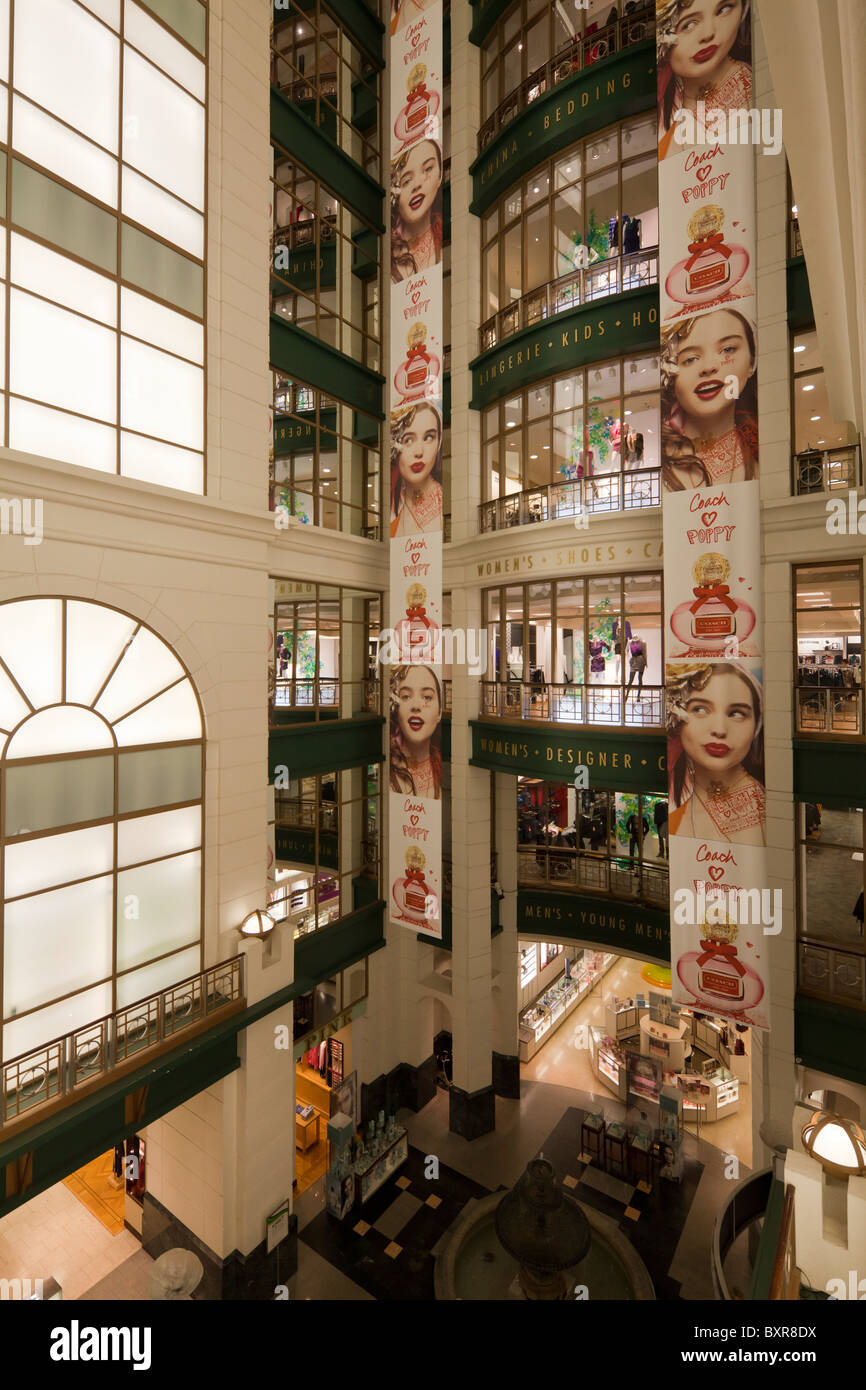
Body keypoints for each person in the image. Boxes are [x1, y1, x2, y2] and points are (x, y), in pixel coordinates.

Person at [666, 661, 765, 845]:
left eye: (736, 713)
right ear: (678, 719)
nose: (719, 730)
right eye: (700, 709)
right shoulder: (676, 806)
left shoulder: (767, 806)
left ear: (755, 726)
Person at [661, 309, 758, 490]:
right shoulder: (661, 463)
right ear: (671, 375)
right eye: (690, 359)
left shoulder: (760, 446)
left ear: (751, 361)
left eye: (727, 350)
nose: (708, 367)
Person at [656, 0, 752, 160]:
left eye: (723, 10)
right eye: (688, 25)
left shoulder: (755, 90)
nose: (708, 33)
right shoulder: (664, 127)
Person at [391, 139, 443, 282]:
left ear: (439, 176)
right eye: (406, 181)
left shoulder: (443, 237)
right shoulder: (387, 255)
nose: (416, 185)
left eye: (427, 169)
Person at [390, 402, 443, 536]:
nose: (419, 452)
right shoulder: (392, 507)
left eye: (428, 437)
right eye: (408, 440)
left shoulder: (443, 503)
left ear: (439, 442)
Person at [389, 664, 442, 800]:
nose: (416, 707)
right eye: (406, 696)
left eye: (427, 697)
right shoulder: (385, 771)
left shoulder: (444, 770)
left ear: (440, 712)